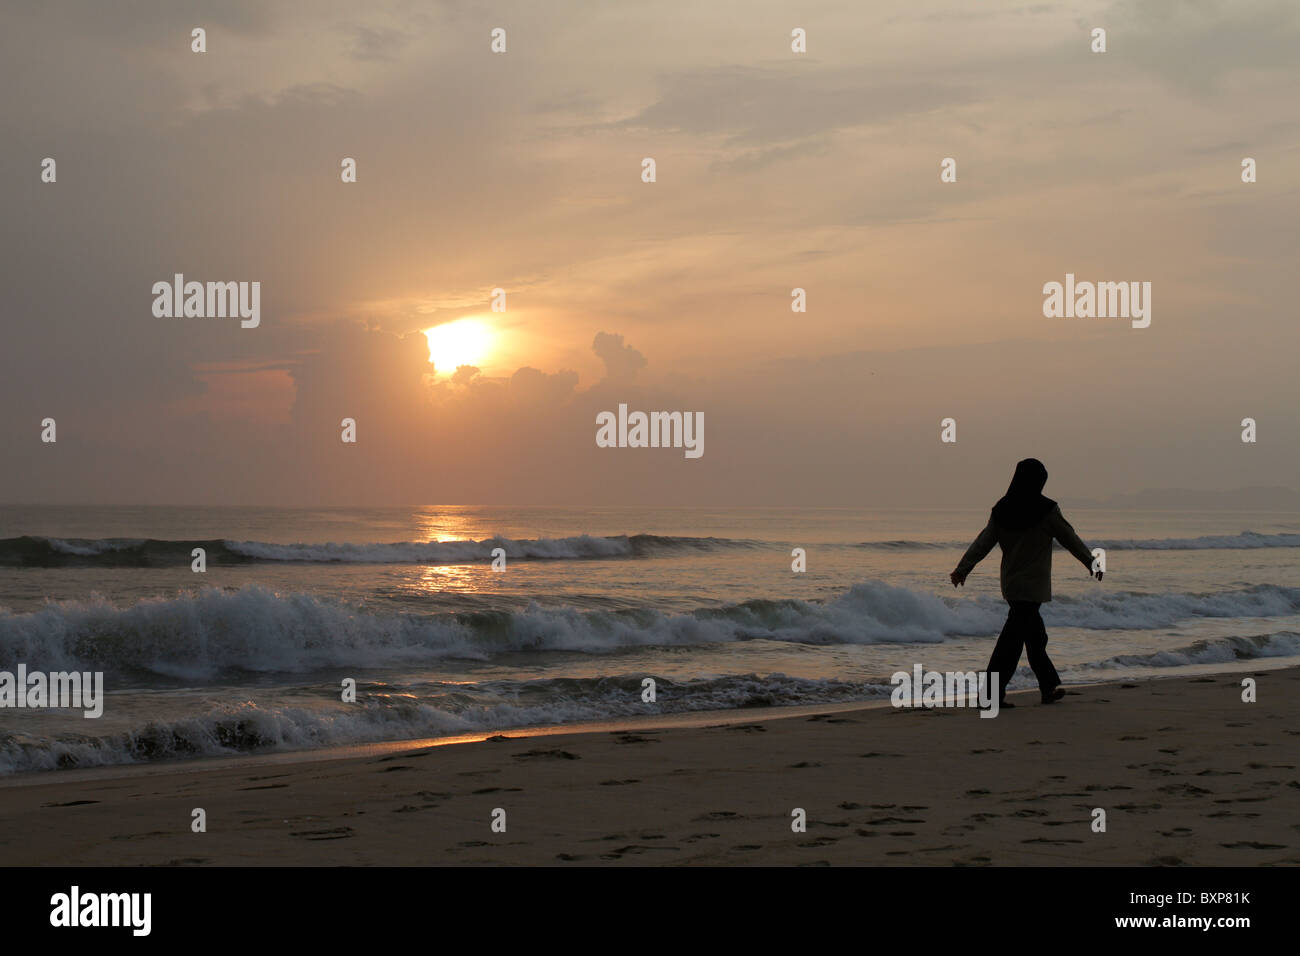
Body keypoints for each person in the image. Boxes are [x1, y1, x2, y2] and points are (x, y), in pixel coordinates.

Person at [949, 458, 1101, 707]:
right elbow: (1069, 538)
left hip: (1011, 585)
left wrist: (963, 569)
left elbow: (982, 543)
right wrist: (1092, 563)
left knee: (1034, 637)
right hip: (1033, 587)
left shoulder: (1002, 509)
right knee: (1011, 644)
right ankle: (991, 696)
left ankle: (1047, 687)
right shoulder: (1047, 510)